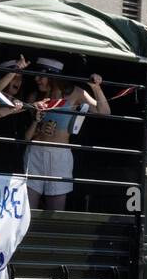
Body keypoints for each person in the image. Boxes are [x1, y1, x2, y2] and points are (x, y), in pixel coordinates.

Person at [22, 58, 111, 210]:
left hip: (60, 155)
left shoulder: (76, 93)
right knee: (29, 209)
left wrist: (95, 87)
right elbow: (30, 131)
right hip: (35, 152)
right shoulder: (34, 96)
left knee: (55, 210)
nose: (36, 79)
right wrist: (39, 124)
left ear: (52, 76)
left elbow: (104, 112)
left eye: (40, 76)